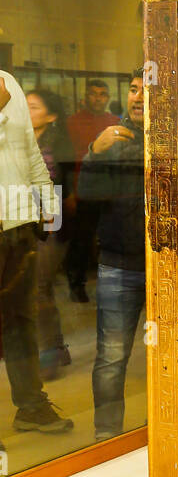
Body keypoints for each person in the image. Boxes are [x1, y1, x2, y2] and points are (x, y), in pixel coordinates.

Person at [78, 68, 178, 440]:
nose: (137, 97)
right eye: (133, 90)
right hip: (118, 267)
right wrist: (93, 154)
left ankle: (166, 436)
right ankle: (106, 440)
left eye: (146, 90)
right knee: (111, 359)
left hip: (171, 268)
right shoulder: (110, 140)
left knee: (169, 356)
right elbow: (86, 198)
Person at [0, 69, 74, 439]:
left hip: (18, 225)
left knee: (20, 322)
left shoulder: (8, 81)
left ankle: (31, 407)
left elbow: (30, 153)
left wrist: (50, 213)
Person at [27, 88, 77, 380]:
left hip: (50, 218)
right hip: (18, 217)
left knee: (39, 287)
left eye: (34, 107)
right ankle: (57, 347)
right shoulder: (15, 138)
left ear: (51, 115)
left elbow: (62, 190)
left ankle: (48, 354)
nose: (28, 111)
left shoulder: (59, 143)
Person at [66, 78, 118, 303]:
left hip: (110, 190)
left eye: (102, 94)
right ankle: (76, 285)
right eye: (94, 93)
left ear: (108, 98)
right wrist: (68, 193)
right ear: (86, 97)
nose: (98, 98)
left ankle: (113, 285)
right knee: (81, 240)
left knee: (112, 238)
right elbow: (64, 161)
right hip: (83, 190)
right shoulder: (71, 123)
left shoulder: (115, 122)